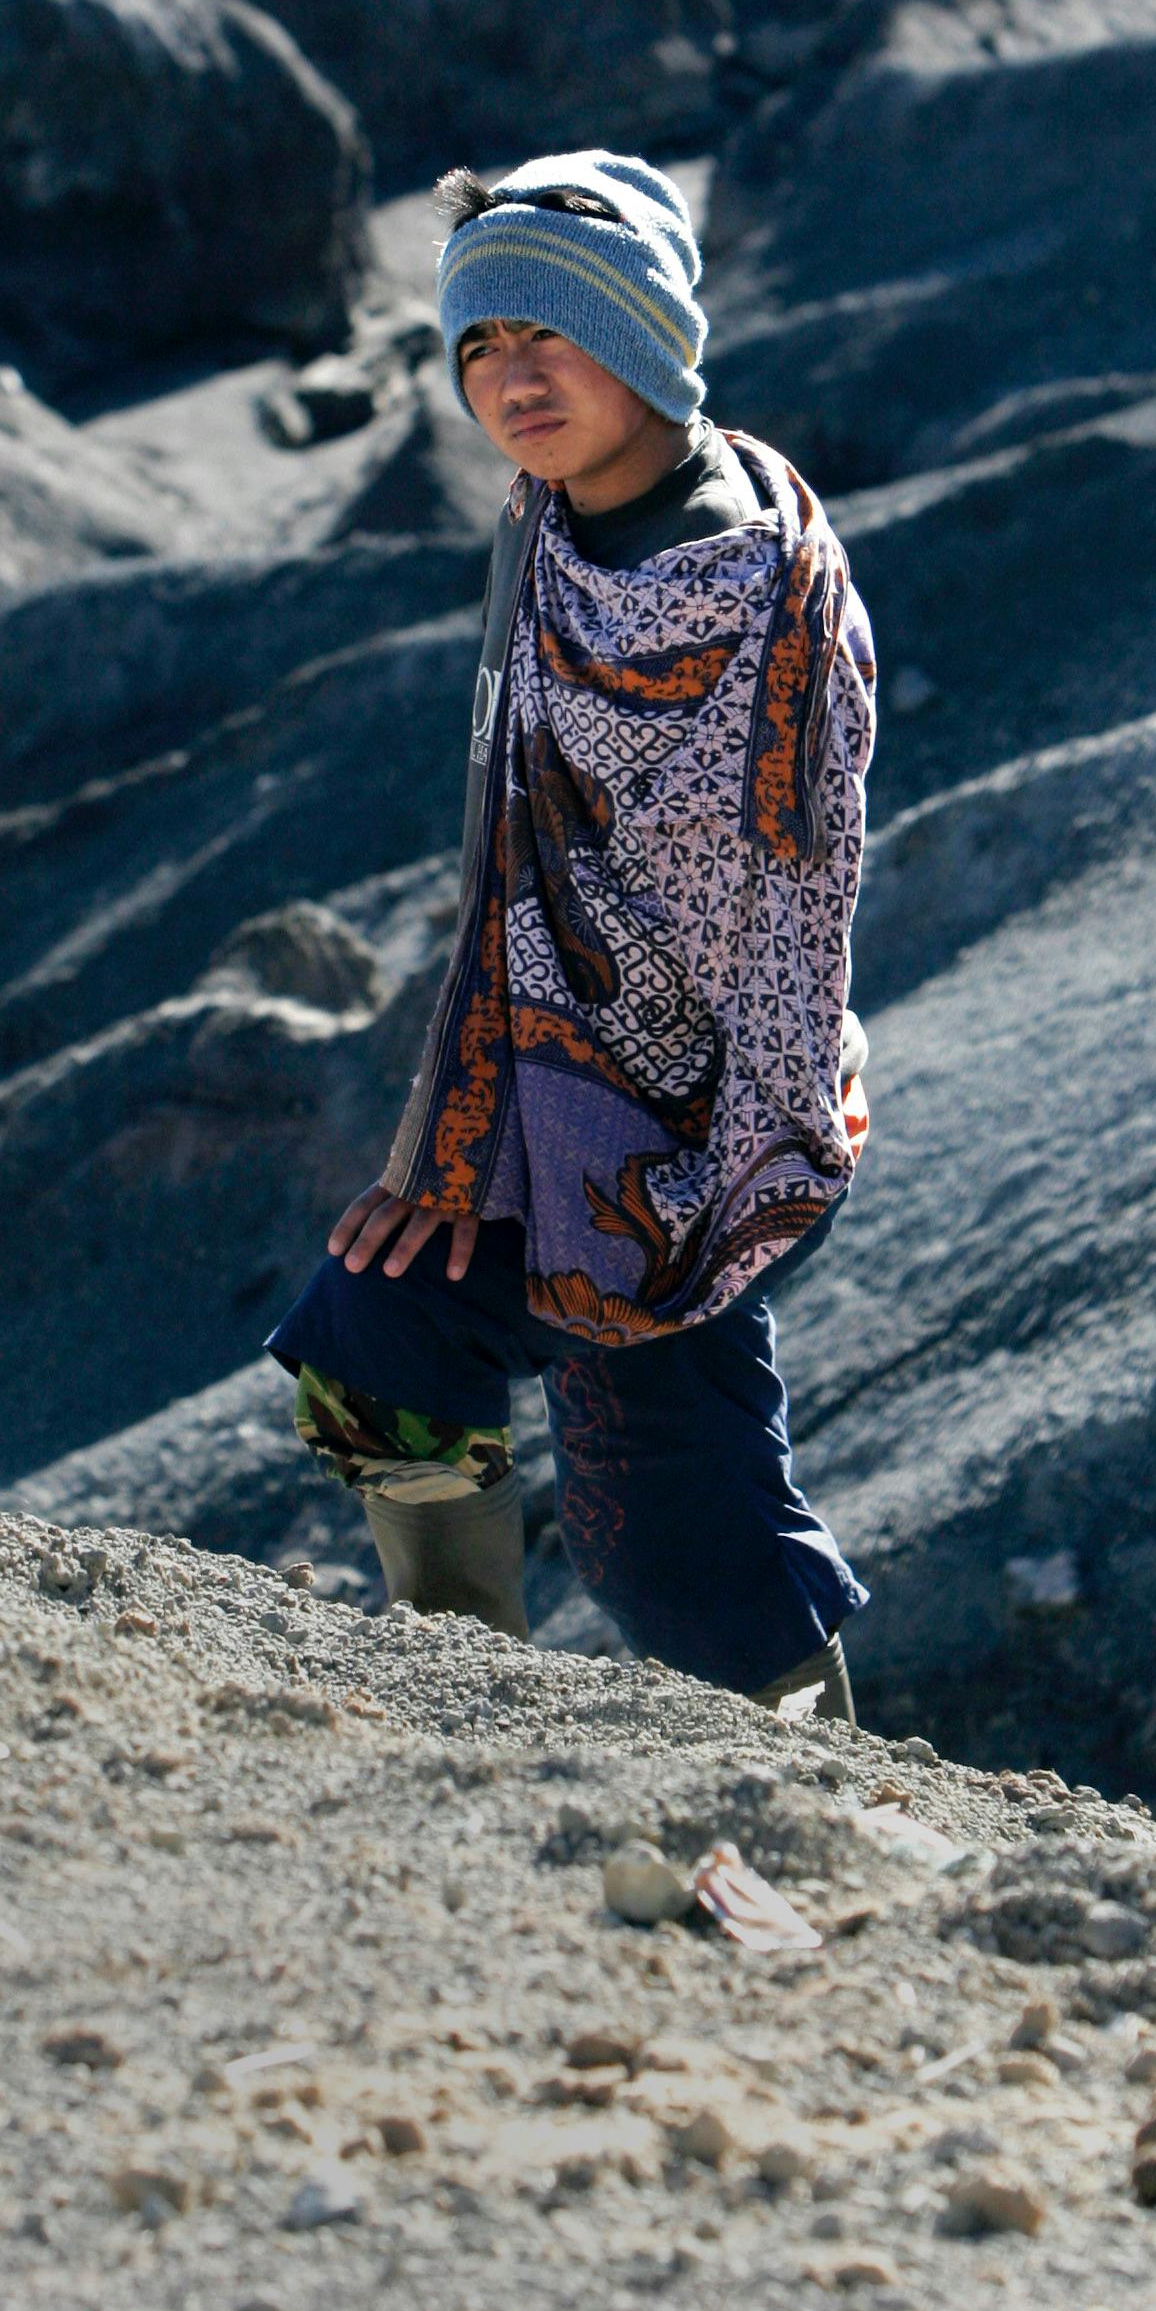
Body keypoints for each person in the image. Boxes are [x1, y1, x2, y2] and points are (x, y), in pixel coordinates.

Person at [266, 148, 877, 1720]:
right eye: (477, 345)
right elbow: (519, 864)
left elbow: (781, 925)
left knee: (649, 1501)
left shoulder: (757, 596)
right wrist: (460, 1134)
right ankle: (471, 1703)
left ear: (644, 331)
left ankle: (802, 1786)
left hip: (701, 1133)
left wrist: (689, 1185)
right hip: (554, 1101)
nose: (509, 380)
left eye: (548, 331)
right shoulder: (550, 525)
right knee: (427, 1353)